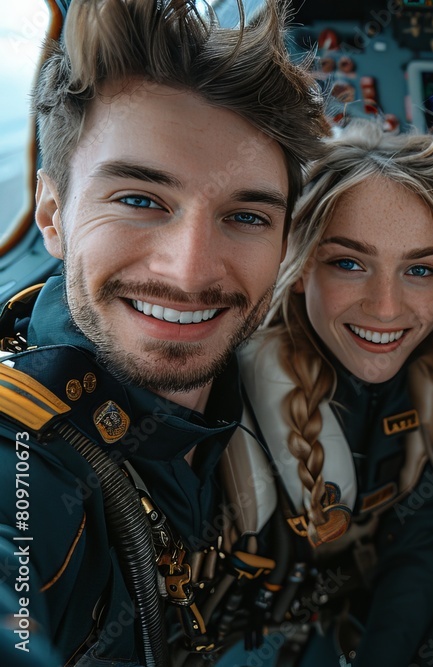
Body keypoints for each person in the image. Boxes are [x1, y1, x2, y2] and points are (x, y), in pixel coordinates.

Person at [0, 0, 326, 664]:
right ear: (52, 214)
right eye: (141, 200)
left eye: (247, 215)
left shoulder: (279, 375)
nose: (190, 271)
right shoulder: (23, 472)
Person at [234, 121, 433, 666]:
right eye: (349, 263)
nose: (386, 308)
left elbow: (428, 536)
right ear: (298, 268)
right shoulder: (224, 390)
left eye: (419, 269)